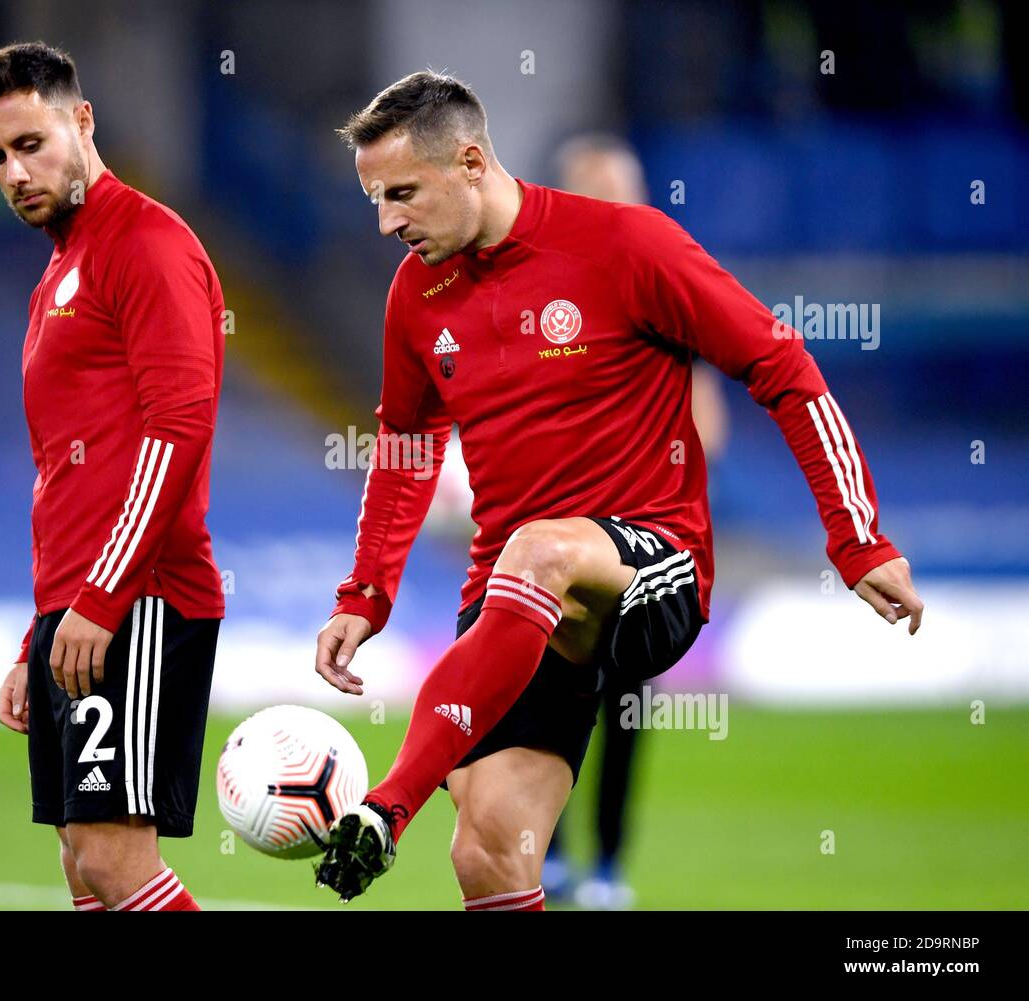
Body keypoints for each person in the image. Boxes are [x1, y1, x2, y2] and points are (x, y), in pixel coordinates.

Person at [312, 71, 923, 909]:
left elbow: (780, 363)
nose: (388, 222)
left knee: (539, 549)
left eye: (403, 194)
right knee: (489, 850)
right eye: (376, 200)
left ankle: (386, 807)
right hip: (516, 602)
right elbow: (407, 447)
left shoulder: (626, 245)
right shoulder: (417, 295)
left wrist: (857, 538)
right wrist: (366, 591)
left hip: (652, 569)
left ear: (472, 162)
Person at [0, 42, 226, 911]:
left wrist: (103, 598)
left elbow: (178, 425)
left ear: (82, 120)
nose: (14, 172)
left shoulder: (145, 241)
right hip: (78, 607)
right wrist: (36, 637)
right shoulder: (59, 270)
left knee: (114, 859)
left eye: (30, 144)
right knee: (83, 863)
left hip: (142, 599)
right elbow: (69, 474)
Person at [542, 132, 731, 909]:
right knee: (544, 691)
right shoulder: (538, 294)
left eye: (627, 190)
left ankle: (608, 862)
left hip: (638, 543)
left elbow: (709, 423)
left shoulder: (665, 292)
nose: (624, 206)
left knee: (625, 700)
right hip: (552, 536)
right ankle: (549, 851)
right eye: (607, 191)